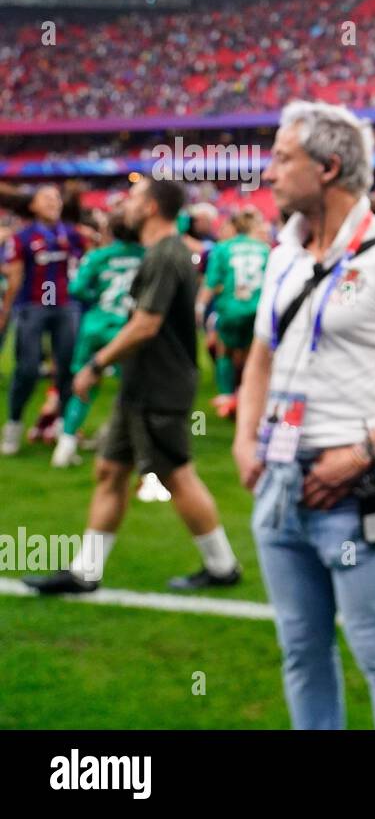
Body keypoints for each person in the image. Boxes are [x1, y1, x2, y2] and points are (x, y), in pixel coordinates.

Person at [234, 100, 375, 730]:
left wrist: (363, 452)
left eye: (282, 157)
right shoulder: (283, 253)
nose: (269, 172)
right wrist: (245, 440)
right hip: (279, 482)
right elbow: (261, 355)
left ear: (328, 166)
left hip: (356, 491)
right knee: (300, 653)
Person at [24, 176, 242, 594]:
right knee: (109, 470)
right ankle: (86, 571)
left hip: (160, 384)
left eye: (136, 198)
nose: (126, 204)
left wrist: (95, 364)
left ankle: (222, 565)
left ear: (151, 208)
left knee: (176, 475)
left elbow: (146, 325)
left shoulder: (165, 253)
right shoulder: (158, 251)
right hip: (141, 383)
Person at [51, 209, 146, 468]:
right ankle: (124, 441)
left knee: (84, 384)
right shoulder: (148, 257)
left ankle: (66, 444)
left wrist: (99, 295)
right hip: (127, 330)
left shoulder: (98, 256)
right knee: (134, 386)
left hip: (95, 325)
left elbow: (77, 288)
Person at [0, 185, 85, 455]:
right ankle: (13, 424)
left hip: (65, 307)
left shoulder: (72, 235)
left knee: (67, 370)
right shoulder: (22, 237)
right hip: (32, 307)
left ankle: (64, 426)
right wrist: (6, 312)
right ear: (33, 205)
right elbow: (14, 276)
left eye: (57, 198)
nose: (53, 202)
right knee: (27, 369)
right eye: (46, 198)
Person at [199, 206, 270, 418]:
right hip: (257, 308)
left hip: (230, 308)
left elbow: (211, 282)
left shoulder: (222, 248)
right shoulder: (264, 249)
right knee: (251, 357)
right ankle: (248, 398)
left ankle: (226, 398)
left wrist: (200, 306)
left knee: (225, 352)